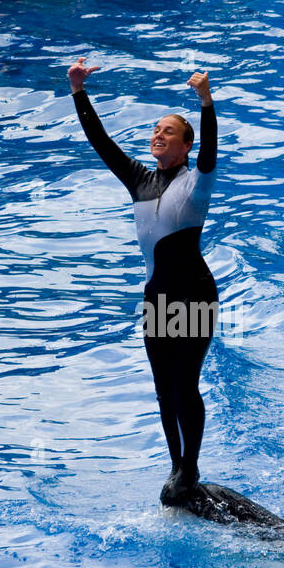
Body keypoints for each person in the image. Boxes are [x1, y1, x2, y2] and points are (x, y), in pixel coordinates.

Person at [67, 57, 218, 505]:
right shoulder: (139, 179)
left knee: (185, 381)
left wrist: (206, 102)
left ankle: (190, 467)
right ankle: (176, 465)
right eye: (155, 130)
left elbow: (212, 149)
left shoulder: (198, 182)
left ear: (186, 145)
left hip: (193, 294)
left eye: (168, 131)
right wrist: (78, 90)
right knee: (162, 386)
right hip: (157, 297)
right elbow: (101, 142)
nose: (158, 135)